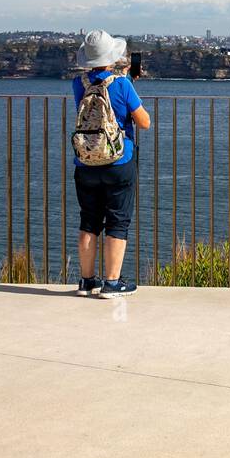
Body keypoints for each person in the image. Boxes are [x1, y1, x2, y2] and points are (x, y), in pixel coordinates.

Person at [71, 30, 151, 297]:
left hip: (85, 162)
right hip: (119, 160)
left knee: (89, 221)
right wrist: (129, 83)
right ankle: (112, 283)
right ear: (112, 56)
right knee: (117, 221)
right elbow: (144, 122)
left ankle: (86, 281)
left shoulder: (78, 83)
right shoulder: (122, 84)